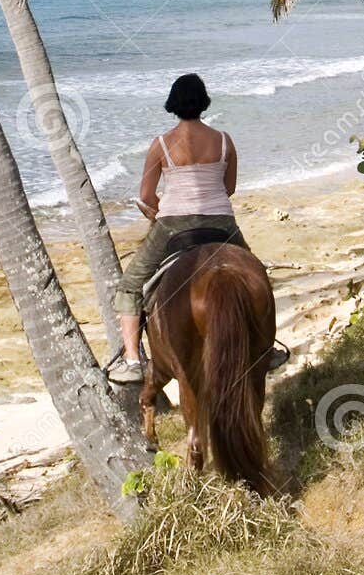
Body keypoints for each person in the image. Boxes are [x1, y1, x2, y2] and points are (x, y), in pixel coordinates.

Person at [108, 72, 287, 383]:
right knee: (256, 275)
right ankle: (265, 348)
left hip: (173, 224)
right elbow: (228, 187)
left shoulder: (161, 144)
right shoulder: (223, 141)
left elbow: (146, 196)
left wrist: (158, 209)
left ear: (173, 104)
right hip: (221, 222)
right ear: (203, 102)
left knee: (130, 285)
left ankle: (133, 360)